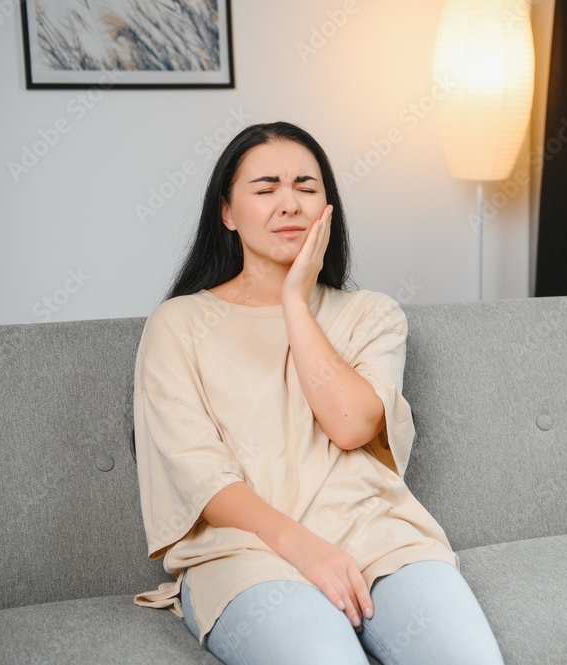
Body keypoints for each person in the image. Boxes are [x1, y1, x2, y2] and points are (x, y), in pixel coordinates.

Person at [132, 121, 505, 664]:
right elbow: (201, 477)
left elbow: (350, 424)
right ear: (227, 213)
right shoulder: (178, 324)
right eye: (266, 189)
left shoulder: (371, 314)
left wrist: (295, 303)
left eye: (306, 187)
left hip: (379, 539)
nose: (290, 203)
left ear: (327, 208)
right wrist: (304, 548)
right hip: (246, 553)